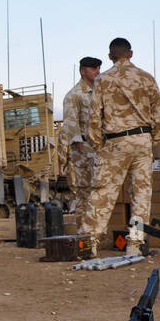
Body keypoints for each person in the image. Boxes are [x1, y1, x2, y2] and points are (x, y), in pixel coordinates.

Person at [81, 38, 160, 257]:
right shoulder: (147, 78)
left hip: (115, 141)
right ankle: (135, 246)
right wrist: (152, 140)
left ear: (110, 56)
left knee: (103, 193)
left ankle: (90, 244)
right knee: (141, 196)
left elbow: (94, 116)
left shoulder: (103, 80)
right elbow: (159, 116)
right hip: (142, 140)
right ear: (131, 54)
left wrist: (98, 144)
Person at [59, 56, 101, 230]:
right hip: (84, 148)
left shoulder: (101, 91)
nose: (97, 72)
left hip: (100, 147)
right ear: (83, 71)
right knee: (84, 192)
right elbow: (70, 123)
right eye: (93, 69)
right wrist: (80, 147)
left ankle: (98, 229)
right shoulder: (74, 95)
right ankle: (83, 230)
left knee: (100, 190)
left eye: (98, 68)